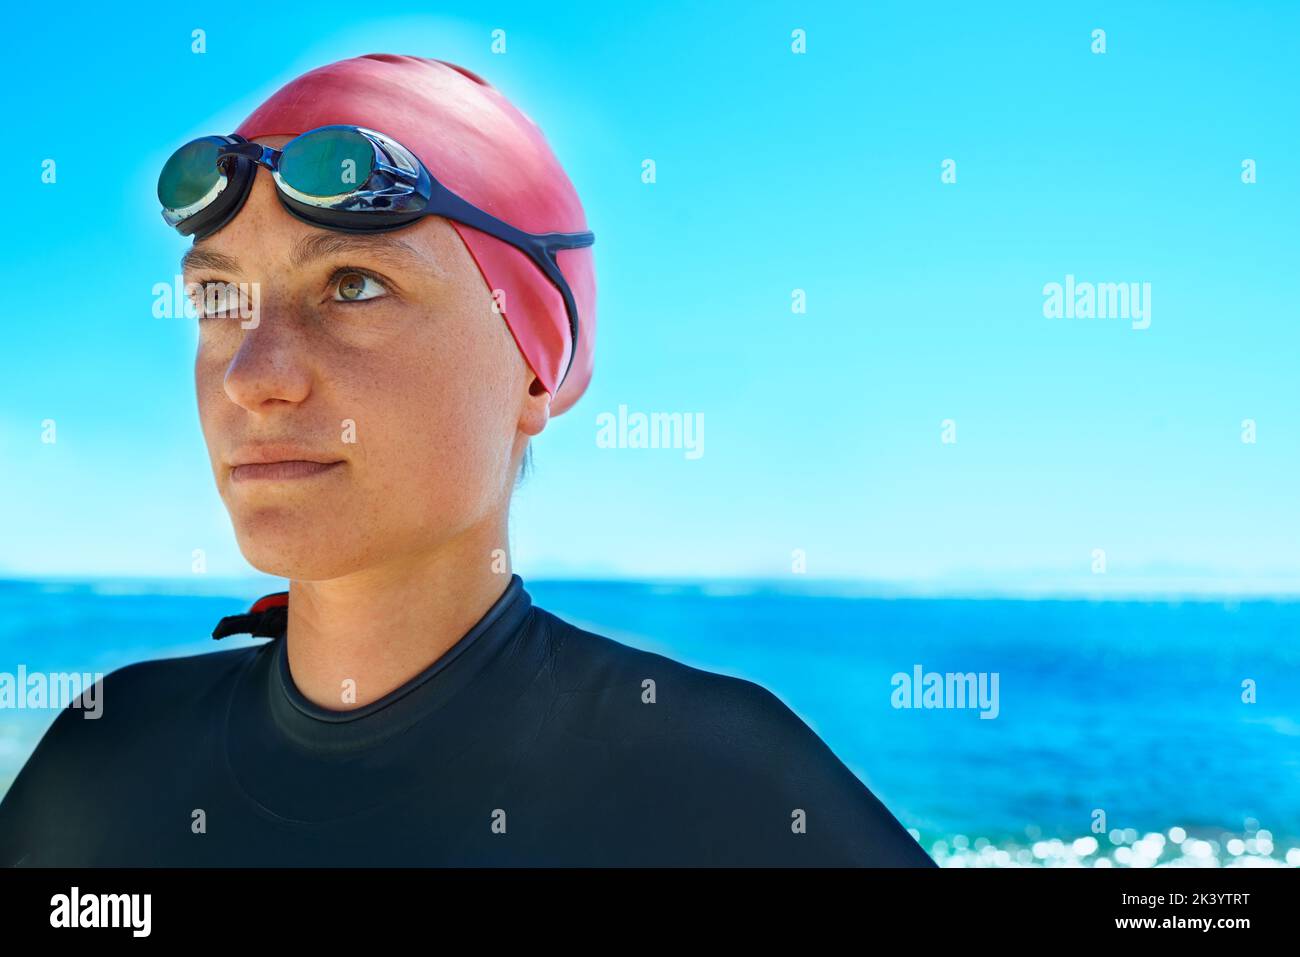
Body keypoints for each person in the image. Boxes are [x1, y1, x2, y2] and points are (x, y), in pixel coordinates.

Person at [0, 54, 934, 867]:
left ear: (535, 372)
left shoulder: (724, 789)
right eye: (220, 301)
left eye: (353, 286)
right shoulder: (104, 755)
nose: (255, 374)